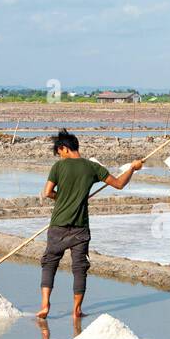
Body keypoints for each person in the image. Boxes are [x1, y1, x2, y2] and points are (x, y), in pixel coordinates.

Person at [38, 128, 143, 319]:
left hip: (58, 226)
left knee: (49, 264)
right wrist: (132, 169)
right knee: (79, 269)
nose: (60, 156)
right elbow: (119, 184)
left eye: (59, 152)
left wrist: (62, 198)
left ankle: (45, 305)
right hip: (80, 229)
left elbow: (47, 193)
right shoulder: (92, 167)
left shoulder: (58, 167)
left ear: (64, 148)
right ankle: (77, 310)